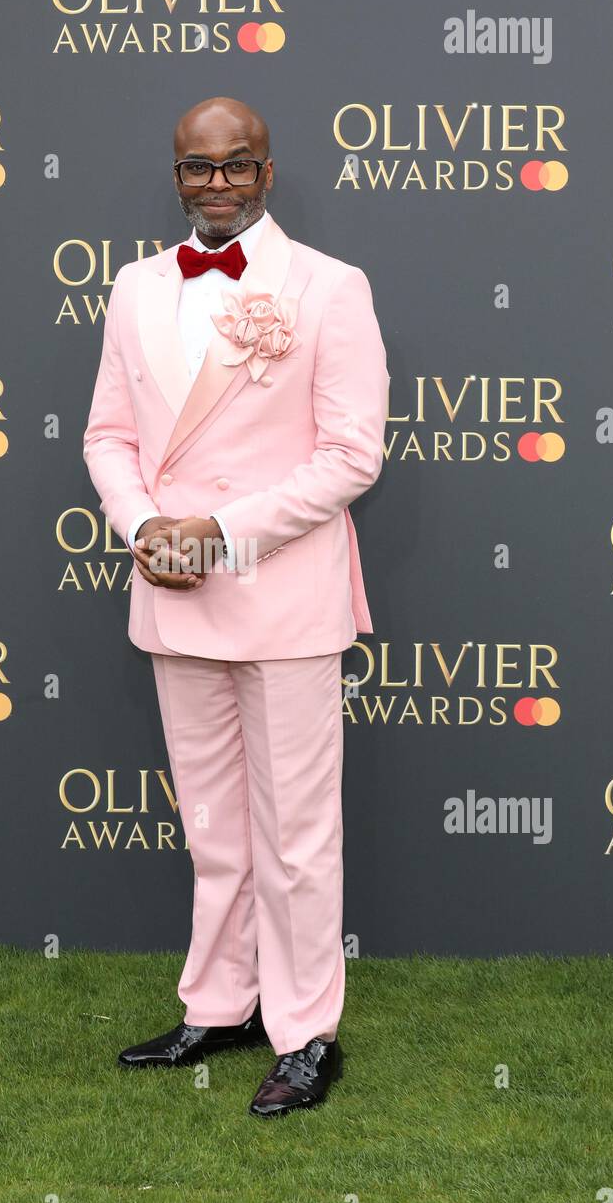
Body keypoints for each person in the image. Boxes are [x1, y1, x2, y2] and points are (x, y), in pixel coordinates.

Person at [83, 95, 389, 1118]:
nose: (216, 181)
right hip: (172, 593)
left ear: (266, 169)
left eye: (237, 163)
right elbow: (107, 438)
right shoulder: (132, 289)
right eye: (197, 166)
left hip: (281, 594)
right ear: (175, 174)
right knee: (214, 826)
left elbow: (350, 455)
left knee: (296, 833)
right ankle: (219, 1002)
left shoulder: (328, 288)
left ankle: (305, 1034)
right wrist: (144, 530)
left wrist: (215, 532)